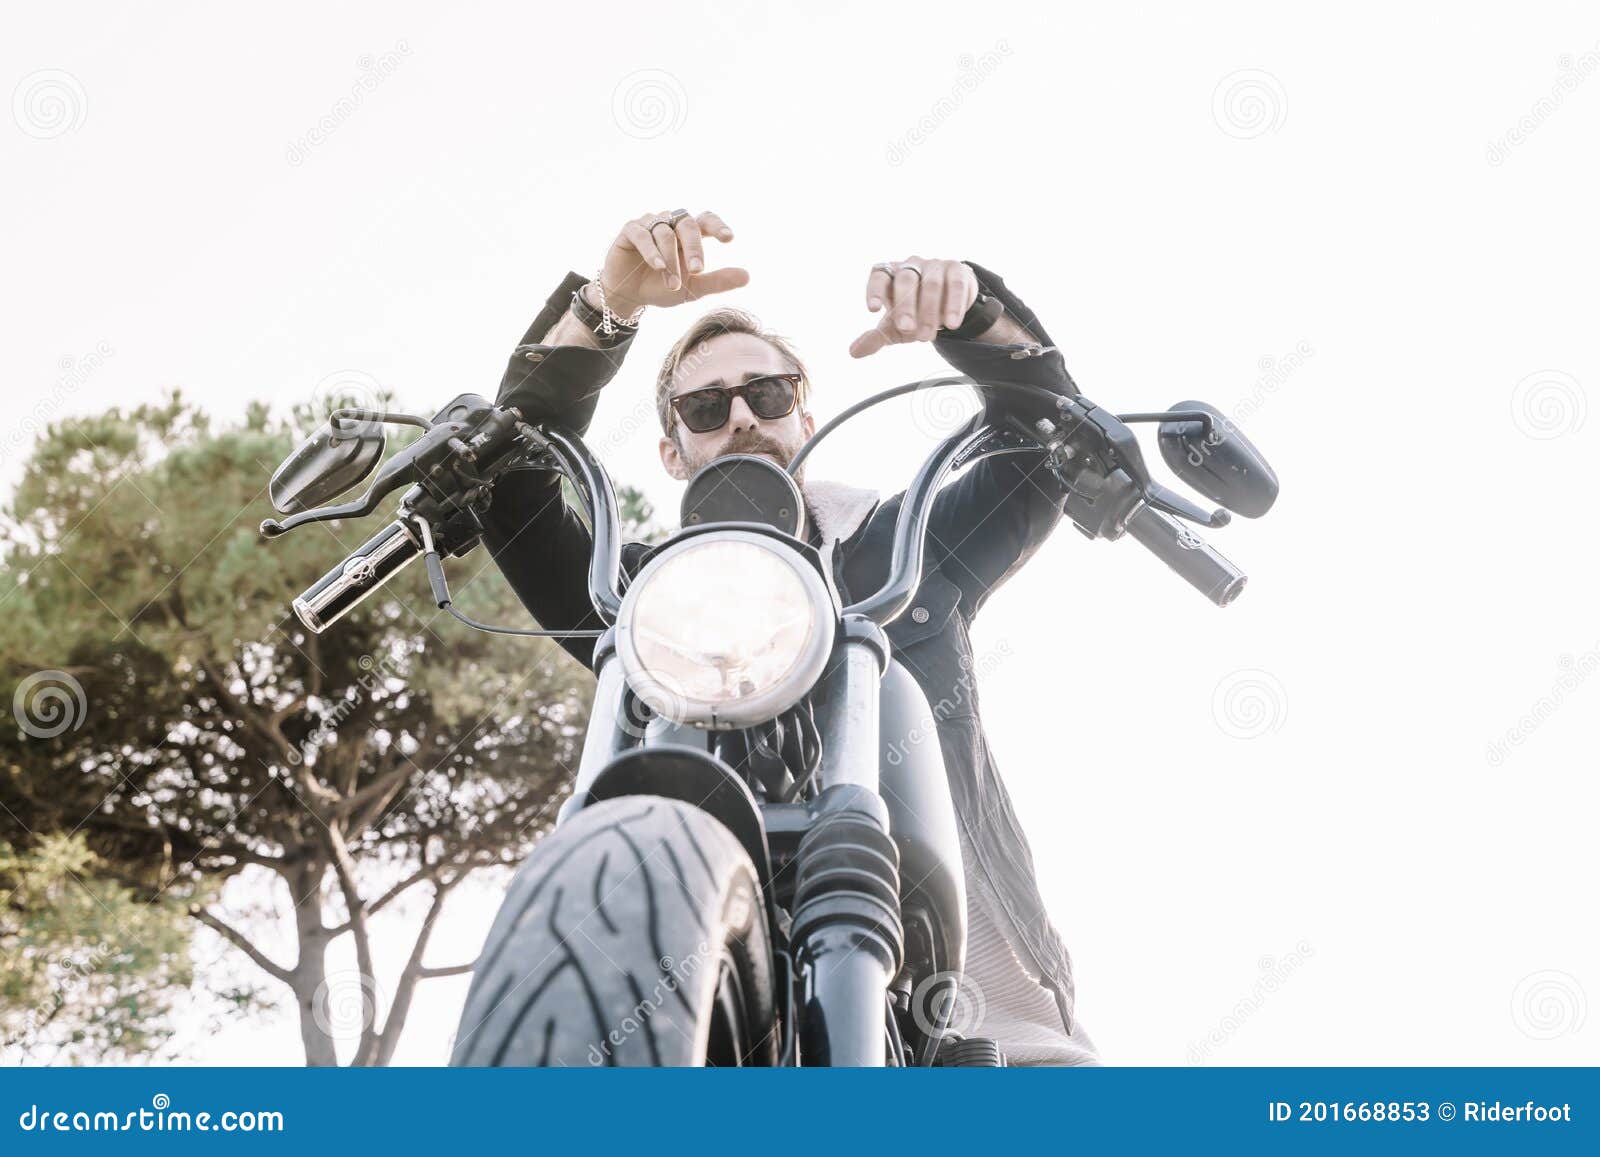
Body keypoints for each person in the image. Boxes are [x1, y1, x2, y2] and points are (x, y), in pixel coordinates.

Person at [482, 207, 1099, 1065]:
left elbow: (1044, 442)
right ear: (671, 449)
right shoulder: (636, 599)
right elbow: (508, 483)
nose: (741, 415)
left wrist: (971, 310)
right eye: (706, 405)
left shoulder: (906, 546)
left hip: (988, 1016)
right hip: (696, 1018)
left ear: (803, 417)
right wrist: (607, 304)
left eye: (766, 394)